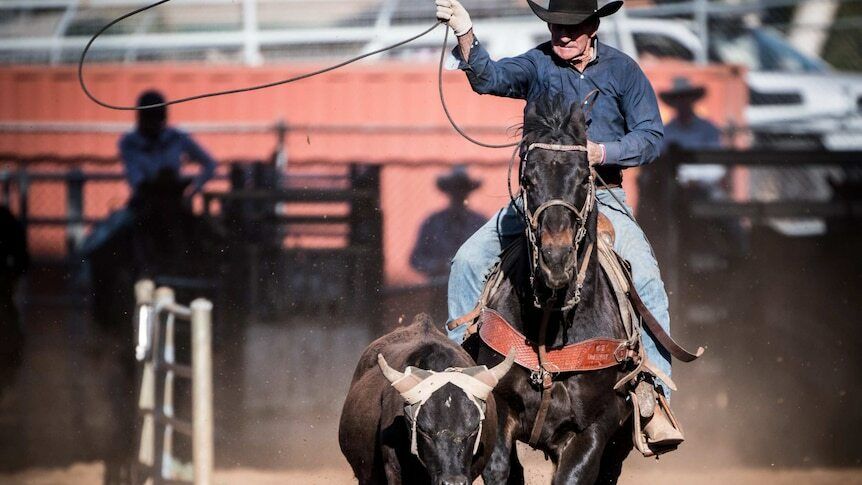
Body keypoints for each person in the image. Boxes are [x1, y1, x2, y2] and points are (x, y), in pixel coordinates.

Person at [436, 0, 683, 447]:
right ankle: (464, 379)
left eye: (572, 27)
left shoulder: (623, 71)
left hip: (601, 195)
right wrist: (465, 33)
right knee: (467, 262)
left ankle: (654, 393)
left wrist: (602, 152)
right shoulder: (538, 64)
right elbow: (489, 78)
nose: (562, 34)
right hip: (539, 200)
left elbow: (650, 137)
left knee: (645, 276)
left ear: (593, 26)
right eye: (555, 26)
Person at [119, 90, 216, 198]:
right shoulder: (130, 142)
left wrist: (194, 189)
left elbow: (209, 163)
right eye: (149, 117)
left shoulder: (176, 137)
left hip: (175, 201)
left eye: (157, 117)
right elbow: (136, 180)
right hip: (142, 203)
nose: (153, 123)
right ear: (141, 118)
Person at [410, 166, 487, 280]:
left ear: (468, 191)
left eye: (462, 188)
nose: (459, 193)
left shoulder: (480, 223)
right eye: (455, 188)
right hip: (438, 285)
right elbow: (416, 259)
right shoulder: (432, 223)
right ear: (449, 191)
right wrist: (436, 266)